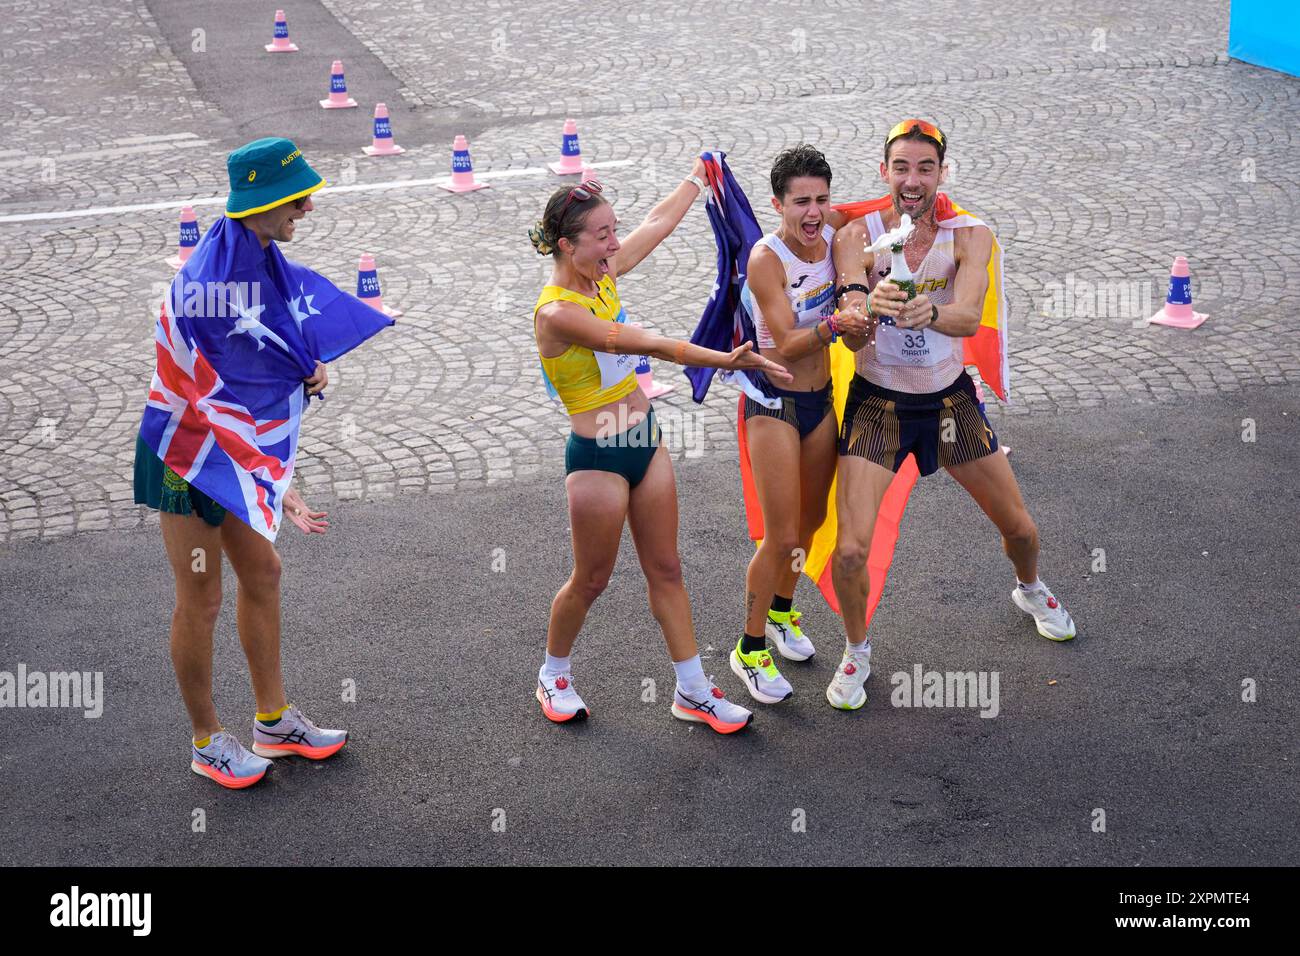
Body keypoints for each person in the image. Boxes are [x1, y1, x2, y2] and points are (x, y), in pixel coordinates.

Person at [135, 138, 367, 787]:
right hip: (187, 456)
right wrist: (278, 485)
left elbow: (267, 345)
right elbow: (207, 395)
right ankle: (207, 741)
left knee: (262, 571)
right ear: (263, 200)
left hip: (230, 449)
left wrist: (305, 365)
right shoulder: (206, 286)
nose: (309, 208)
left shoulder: (258, 252)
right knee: (201, 599)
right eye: (297, 197)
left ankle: (273, 720)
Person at [530, 165, 794, 734]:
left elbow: (657, 224)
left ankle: (693, 691)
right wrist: (721, 358)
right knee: (591, 579)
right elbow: (642, 342)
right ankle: (554, 674)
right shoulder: (556, 314)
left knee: (667, 568)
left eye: (612, 231)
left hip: (644, 444)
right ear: (565, 245)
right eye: (601, 236)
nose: (614, 244)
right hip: (597, 459)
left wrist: (697, 181)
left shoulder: (602, 276)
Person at [826, 119, 1076, 711]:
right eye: (901, 167)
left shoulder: (971, 235)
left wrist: (926, 315)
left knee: (1020, 529)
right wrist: (865, 309)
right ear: (884, 171)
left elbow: (967, 315)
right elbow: (851, 324)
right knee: (850, 550)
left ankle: (1030, 588)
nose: (912, 180)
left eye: (925, 168)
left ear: (942, 172)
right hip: (877, 404)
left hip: (949, 402)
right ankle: (857, 649)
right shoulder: (854, 237)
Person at [728, 145, 868, 704]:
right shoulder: (767, 260)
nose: (813, 213)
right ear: (777, 204)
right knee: (780, 533)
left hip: (821, 400)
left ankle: (784, 612)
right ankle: (750, 647)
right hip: (773, 404)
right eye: (800, 202)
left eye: (821, 200)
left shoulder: (832, 227)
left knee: (810, 523)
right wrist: (838, 319)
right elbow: (785, 342)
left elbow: (866, 220)